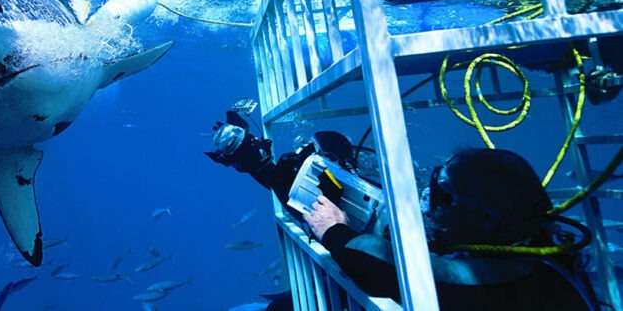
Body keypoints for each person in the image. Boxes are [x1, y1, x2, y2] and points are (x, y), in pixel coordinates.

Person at [206, 110, 598, 311]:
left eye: (443, 195)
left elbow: (394, 273)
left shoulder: (516, 280)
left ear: (486, 219)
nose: (429, 202)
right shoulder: (519, 244)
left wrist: (335, 231)